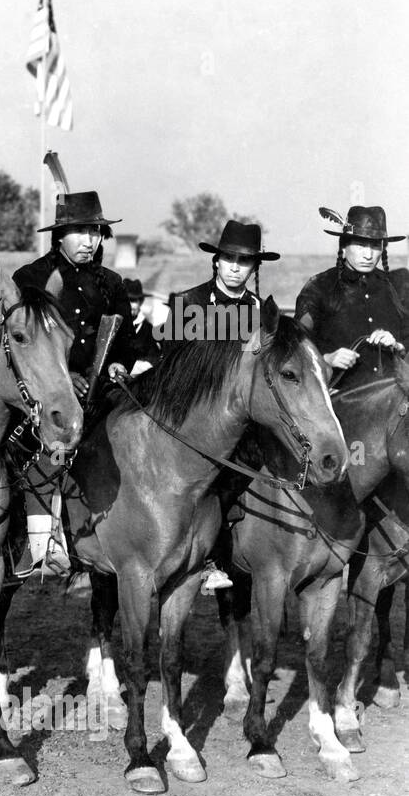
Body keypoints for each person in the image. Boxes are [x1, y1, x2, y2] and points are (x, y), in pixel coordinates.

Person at [10, 190, 131, 577]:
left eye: (95, 232)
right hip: (47, 394)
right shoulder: (29, 279)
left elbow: (126, 343)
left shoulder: (112, 284)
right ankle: (36, 543)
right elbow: (27, 343)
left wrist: (119, 366)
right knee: (30, 458)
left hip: (103, 396)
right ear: (59, 235)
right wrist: (66, 379)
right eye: (79, 232)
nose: (89, 240)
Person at [167, 220, 281, 593]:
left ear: (254, 268)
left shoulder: (261, 313)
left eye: (244, 261)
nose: (235, 267)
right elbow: (170, 369)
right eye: (228, 258)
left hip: (243, 424)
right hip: (189, 422)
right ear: (215, 261)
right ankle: (201, 556)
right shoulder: (187, 303)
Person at [295, 205, 409, 366]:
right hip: (336, 389)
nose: (368, 255)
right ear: (343, 245)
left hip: (391, 388)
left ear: (383, 248)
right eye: (361, 245)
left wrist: (397, 346)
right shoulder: (319, 287)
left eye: (376, 246)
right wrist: (326, 359)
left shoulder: (397, 287)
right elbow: (295, 345)